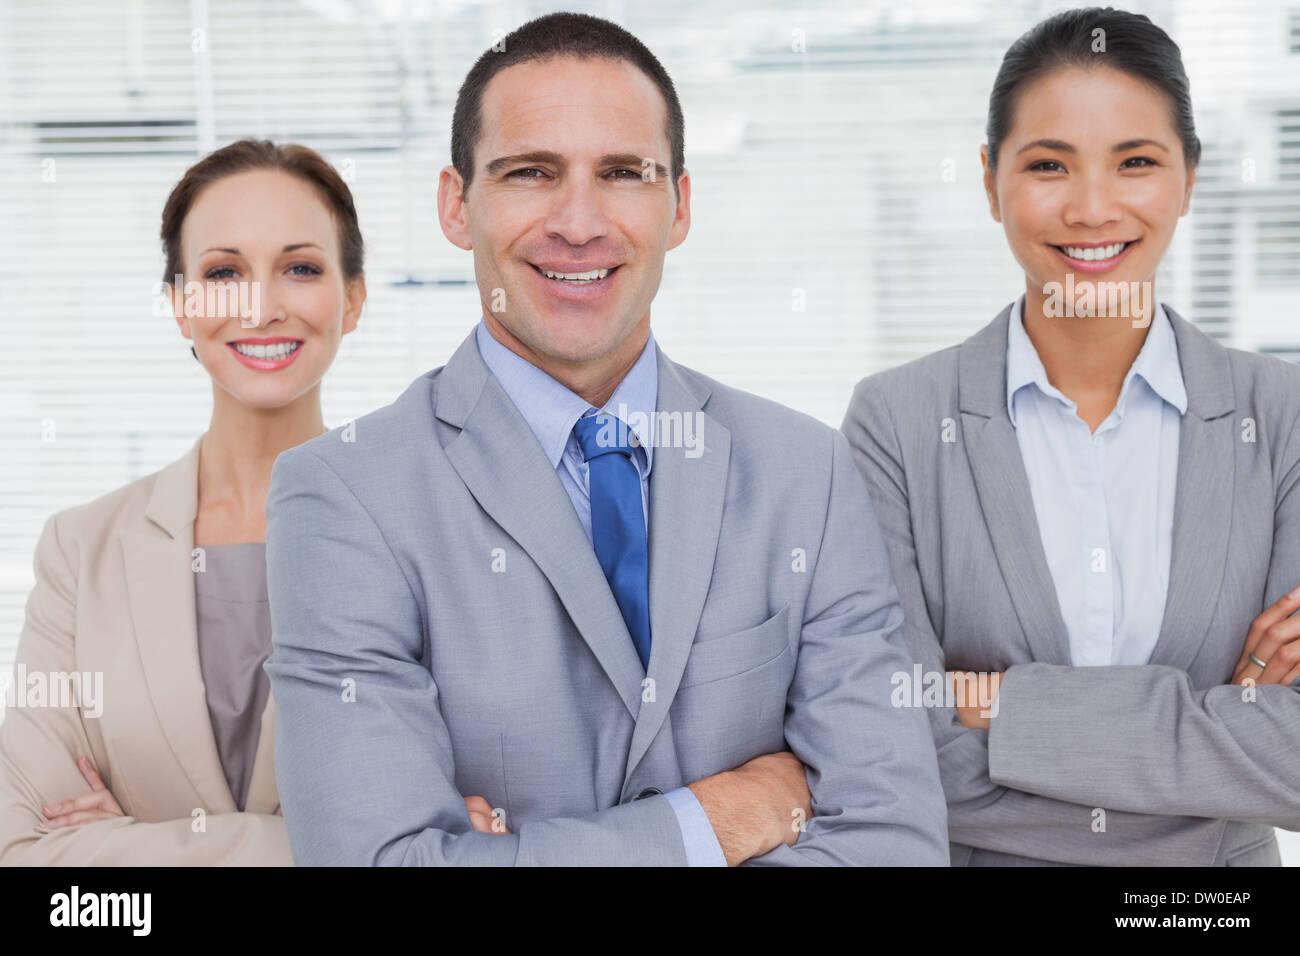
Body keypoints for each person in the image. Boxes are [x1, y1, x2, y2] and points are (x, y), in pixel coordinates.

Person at [264, 11, 949, 866]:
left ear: (680, 205)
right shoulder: (343, 497)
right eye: (530, 172)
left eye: (624, 173)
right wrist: (725, 815)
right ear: (455, 205)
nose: (579, 223)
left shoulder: (806, 475)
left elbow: (897, 842)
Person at [842, 6, 1300, 866]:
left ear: (1190, 180)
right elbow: (889, 745)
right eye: (1049, 165)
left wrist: (1003, 704)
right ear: (989, 182)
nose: (1092, 209)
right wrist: (1213, 760)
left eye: (1136, 162)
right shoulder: (897, 424)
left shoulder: (1283, 419)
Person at [0, 139, 365, 864]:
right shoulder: (81, 552)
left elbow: (458, 843)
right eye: (223, 272)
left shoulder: (424, 536)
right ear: (178, 304)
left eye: (299, 268)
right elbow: (22, 851)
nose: (260, 306)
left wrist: (127, 844)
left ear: (352, 298)